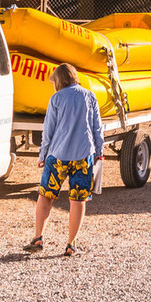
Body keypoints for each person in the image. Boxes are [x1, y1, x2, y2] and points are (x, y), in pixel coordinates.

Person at [26, 62, 105, 256]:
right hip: (83, 156)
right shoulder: (89, 96)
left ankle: (38, 238)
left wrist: (42, 155)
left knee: (46, 196)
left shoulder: (56, 99)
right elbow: (97, 127)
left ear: (59, 80)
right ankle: (71, 244)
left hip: (58, 156)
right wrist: (99, 153)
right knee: (78, 201)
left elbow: (48, 130)